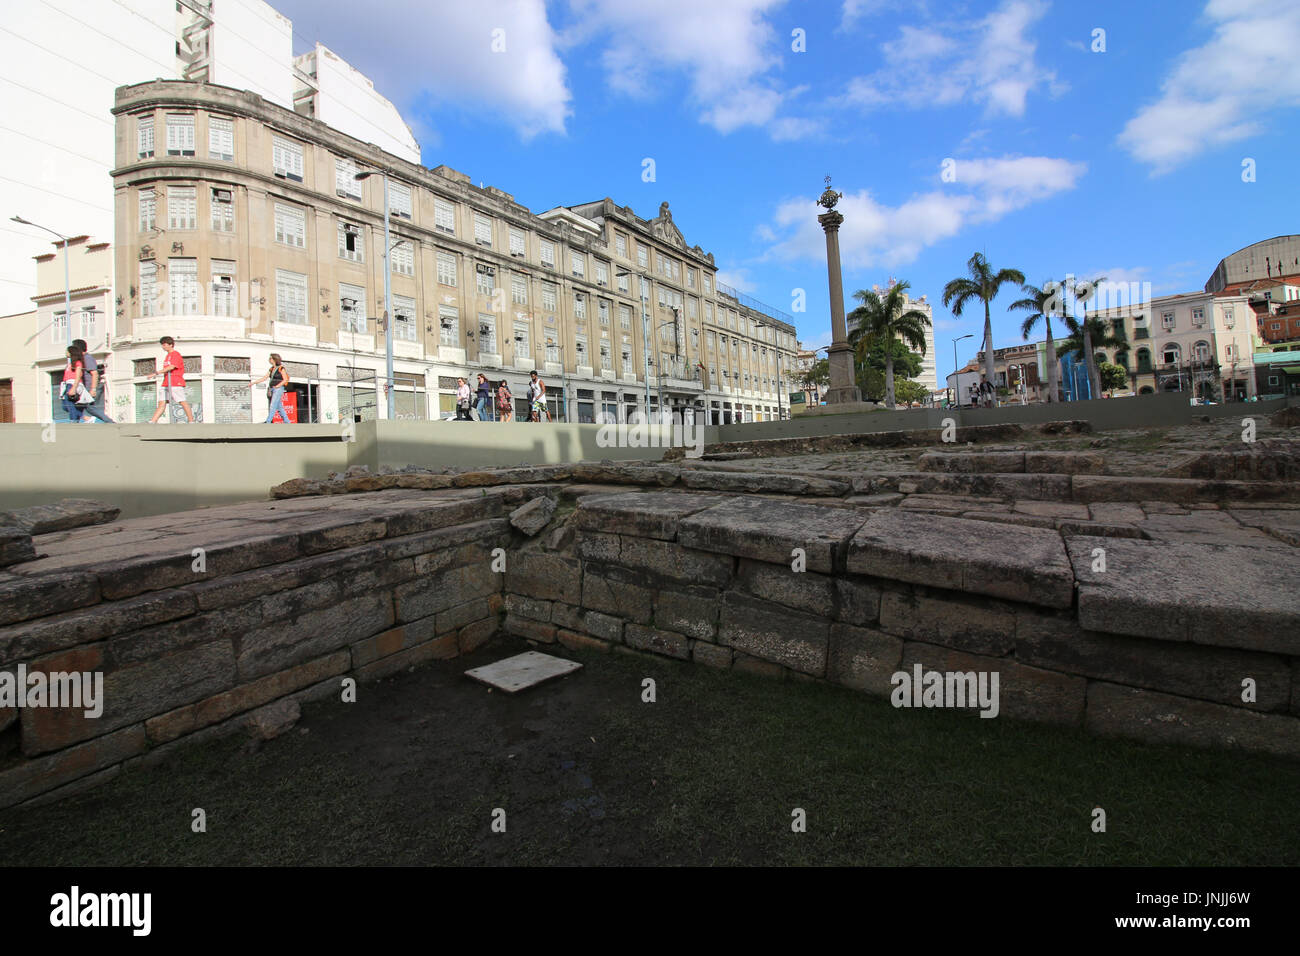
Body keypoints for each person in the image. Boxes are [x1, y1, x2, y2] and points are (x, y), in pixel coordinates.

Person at [148, 336, 194, 423]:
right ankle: (153, 421)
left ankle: (191, 420)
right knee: (161, 403)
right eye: (162, 345)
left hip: (175, 382)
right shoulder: (167, 356)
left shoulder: (176, 354)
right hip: (166, 382)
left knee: (182, 401)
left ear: (171, 345)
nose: (163, 347)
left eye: (165, 345)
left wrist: (156, 373)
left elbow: (171, 367)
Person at [72, 338, 114, 423]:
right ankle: (80, 420)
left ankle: (109, 422)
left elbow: (94, 373)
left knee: (89, 407)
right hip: (83, 388)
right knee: (78, 406)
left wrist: (93, 389)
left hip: (88, 387)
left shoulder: (87, 358)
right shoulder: (81, 359)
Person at [251, 353, 291, 423]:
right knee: (279, 407)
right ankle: (287, 421)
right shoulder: (271, 369)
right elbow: (264, 378)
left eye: (270, 358)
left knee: (273, 405)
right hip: (272, 388)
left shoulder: (281, 368)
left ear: (274, 359)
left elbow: (285, 379)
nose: (269, 360)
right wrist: (254, 382)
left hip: (278, 389)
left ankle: (268, 421)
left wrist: (278, 386)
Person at [59, 344, 89, 422]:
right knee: (65, 406)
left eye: (67, 351)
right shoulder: (70, 364)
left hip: (72, 384)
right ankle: (84, 417)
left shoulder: (78, 363)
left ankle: (74, 420)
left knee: (69, 404)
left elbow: (78, 376)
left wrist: (74, 388)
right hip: (66, 384)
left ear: (71, 352)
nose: (65, 352)